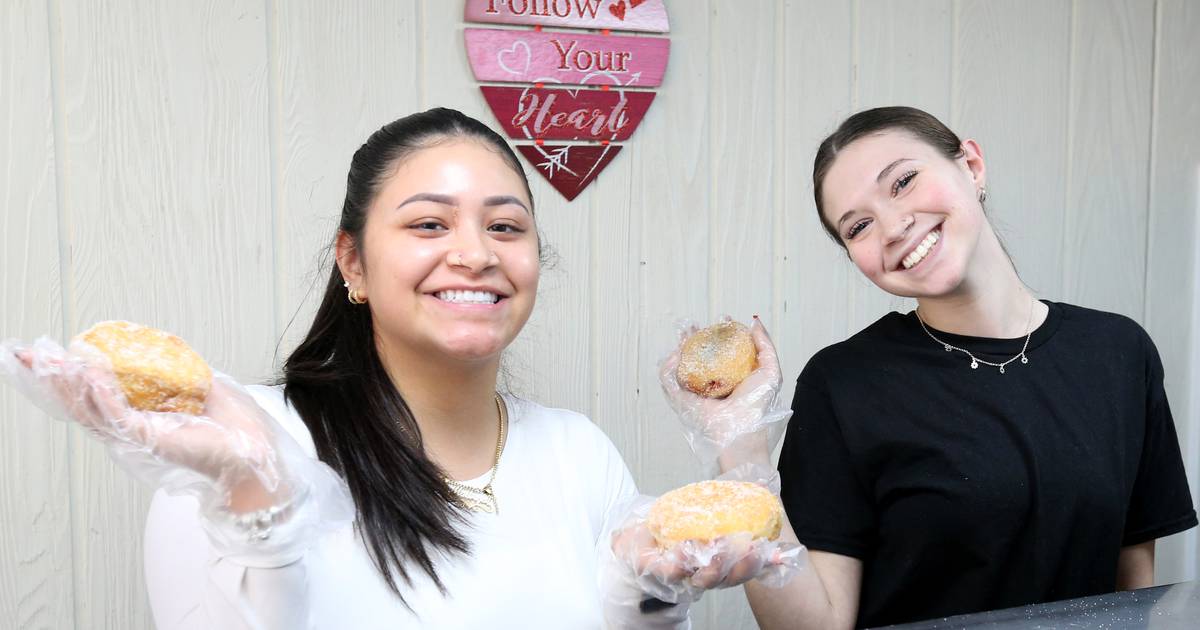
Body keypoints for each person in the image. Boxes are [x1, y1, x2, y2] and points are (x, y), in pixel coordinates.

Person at [1, 108, 768, 629]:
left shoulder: (580, 452)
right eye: (429, 224)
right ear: (353, 264)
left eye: (505, 226)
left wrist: (651, 595)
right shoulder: (243, 446)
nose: (475, 253)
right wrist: (255, 504)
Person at [713, 106, 1197, 629]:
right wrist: (741, 452)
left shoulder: (1119, 353)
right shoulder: (843, 383)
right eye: (859, 226)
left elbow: (1132, 595)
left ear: (971, 165)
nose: (894, 227)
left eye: (902, 181)